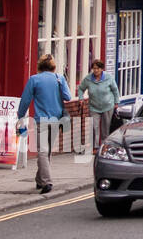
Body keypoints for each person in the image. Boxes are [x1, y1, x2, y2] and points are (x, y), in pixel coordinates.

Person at [17, 55, 72, 194]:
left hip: (41, 119)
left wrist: (20, 115)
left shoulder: (34, 79)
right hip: (56, 119)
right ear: (53, 66)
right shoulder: (59, 79)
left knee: (42, 151)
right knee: (46, 152)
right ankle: (40, 180)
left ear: (40, 66)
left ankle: (46, 181)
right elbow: (68, 97)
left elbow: (25, 100)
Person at [78, 59, 119, 145]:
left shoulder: (109, 78)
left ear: (102, 69)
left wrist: (116, 102)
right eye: (94, 68)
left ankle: (104, 146)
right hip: (93, 107)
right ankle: (95, 147)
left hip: (107, 106)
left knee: (105, 129)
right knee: (94, 127)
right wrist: (81, 98)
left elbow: (115, 90)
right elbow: (81, 89)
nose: (96, 70)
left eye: (98, 68)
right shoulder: (88, 79)